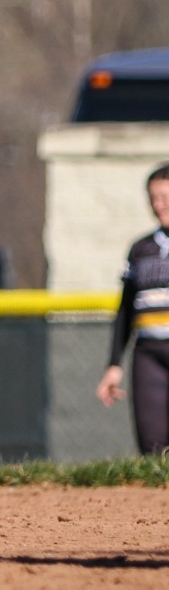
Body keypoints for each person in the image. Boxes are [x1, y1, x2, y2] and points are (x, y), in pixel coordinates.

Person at [97, 162, 169, 454]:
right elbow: (126, 310)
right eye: (153, 198)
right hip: (149, 353)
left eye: (165, 197)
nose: (158, 205)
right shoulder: (141, 250)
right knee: (152, 446)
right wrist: (114, 364)